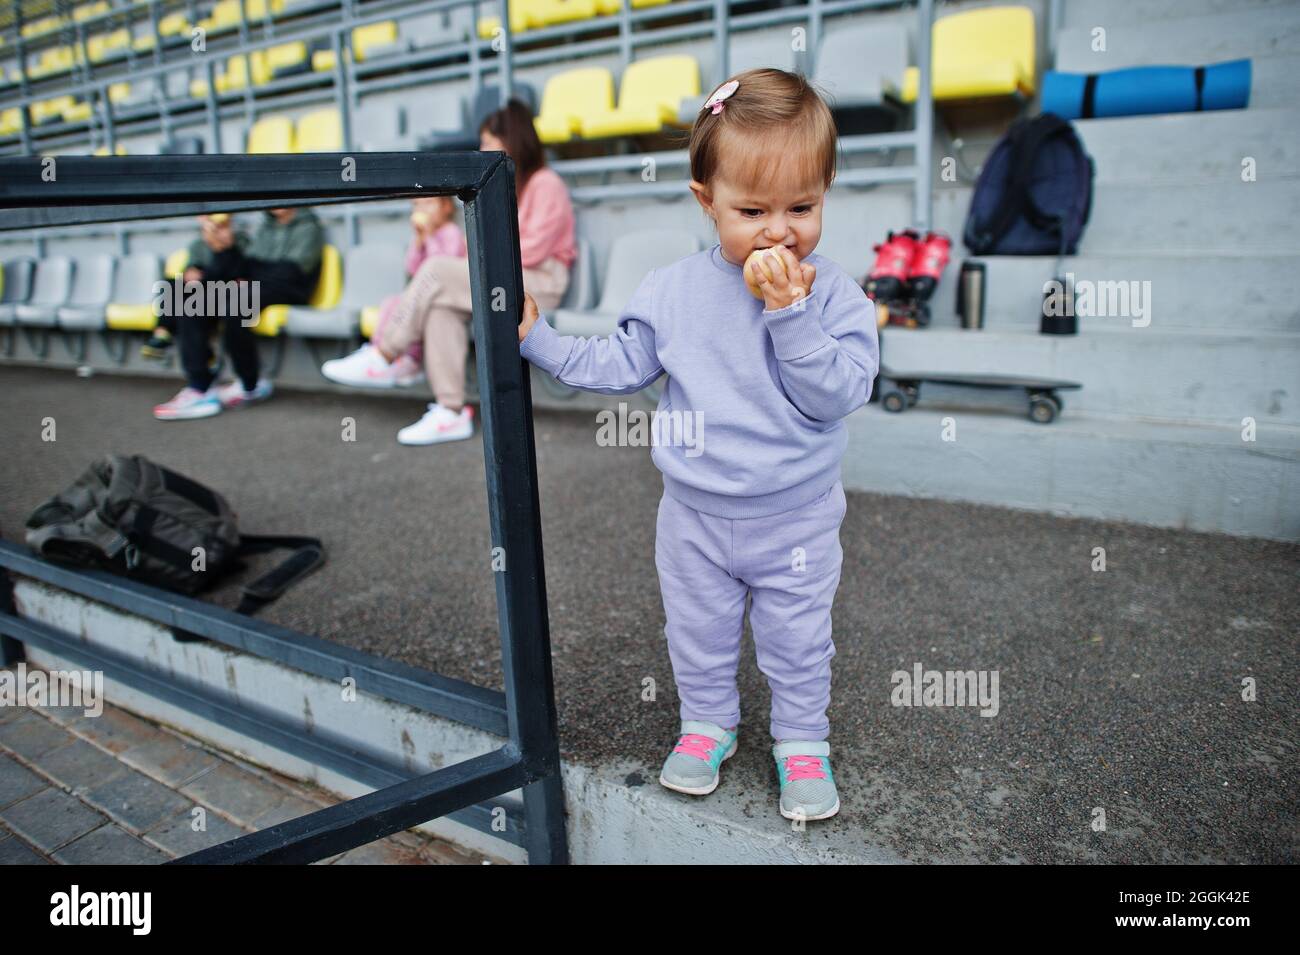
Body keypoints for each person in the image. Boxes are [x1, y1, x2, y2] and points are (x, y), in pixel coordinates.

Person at [516, 69, 879, 822]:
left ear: (825, 194)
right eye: (752, 209)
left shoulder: (835, 295)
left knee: (798, 638)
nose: (779, 230)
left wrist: (792, 315)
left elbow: (837, 393)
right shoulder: (672, 290)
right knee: (698, 632)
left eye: (803, 207)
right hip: (694, 516)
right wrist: (542, 342)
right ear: (705, 201)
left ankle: (803, 740)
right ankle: (707, 723)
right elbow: (620, 363)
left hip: (798, 517)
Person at [321, 98, 575, 445]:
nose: (482, 149)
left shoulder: (546, 183)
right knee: (441, 307)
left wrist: (483, 255)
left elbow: (532, 248)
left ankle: (384, 353)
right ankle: (450, 412)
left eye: (488, 141)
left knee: (438, 271)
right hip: (509, 274)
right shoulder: (508, 185)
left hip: (539, 282)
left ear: (512, 140)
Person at [153, 207, 326, 420]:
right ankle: (199, 386)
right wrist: (226, 253)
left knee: (235, 303)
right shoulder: (265, 227)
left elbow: (291, 272)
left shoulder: (309, 227)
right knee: (193, 300)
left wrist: (248, 272)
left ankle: (249, 384)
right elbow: (245, 267)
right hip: (257, 286)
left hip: (289, 289)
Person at [320, 195, 467, 389]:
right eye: (417, 204)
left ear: (447, 207)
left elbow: (441, 266)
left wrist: (430, 237)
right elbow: (413, 268)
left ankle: (409, 361)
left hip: (443, 296)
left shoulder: (451, 232)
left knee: (409, 307)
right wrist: (419, 241)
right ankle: (383, 355)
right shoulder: (422, 236)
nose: (422, 209)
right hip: (424, 296)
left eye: (429, 203)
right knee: (391, 302)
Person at [141, 213, 248, 362]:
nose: (214, 228)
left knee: (191, 304)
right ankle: (162, 333)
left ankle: (172, 337)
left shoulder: (240, 241)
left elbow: (234, 274)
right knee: (174, 286)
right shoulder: (198, 244)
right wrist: (192, 274)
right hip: (204, 290)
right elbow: (193, 270)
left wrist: (221, 248)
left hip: (226, 292)